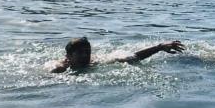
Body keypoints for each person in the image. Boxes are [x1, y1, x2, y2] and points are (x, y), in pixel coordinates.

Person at [51, 37, 184, 73]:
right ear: (68, 56)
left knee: (125, 59)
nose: (85, 56)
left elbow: (134, 57)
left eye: (88, 52)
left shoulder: (95, 62)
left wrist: (159, 47)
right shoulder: (60, 68)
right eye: (80, 53)